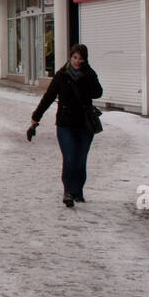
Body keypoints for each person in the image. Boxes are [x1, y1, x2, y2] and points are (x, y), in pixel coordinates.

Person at [28, 44, 103, 207]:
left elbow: (98, 93)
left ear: (85, 59)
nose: (77, 61)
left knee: (80, 159)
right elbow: (48, 97)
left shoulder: (88, 74)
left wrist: (89, 73)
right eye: (75, 57)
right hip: (65, 124)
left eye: (80, 58)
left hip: (84, 124)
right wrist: (36, 116)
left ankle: (78, 190)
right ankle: (68, 191)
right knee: (69, 158)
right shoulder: (61, 75)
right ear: (70, 57)